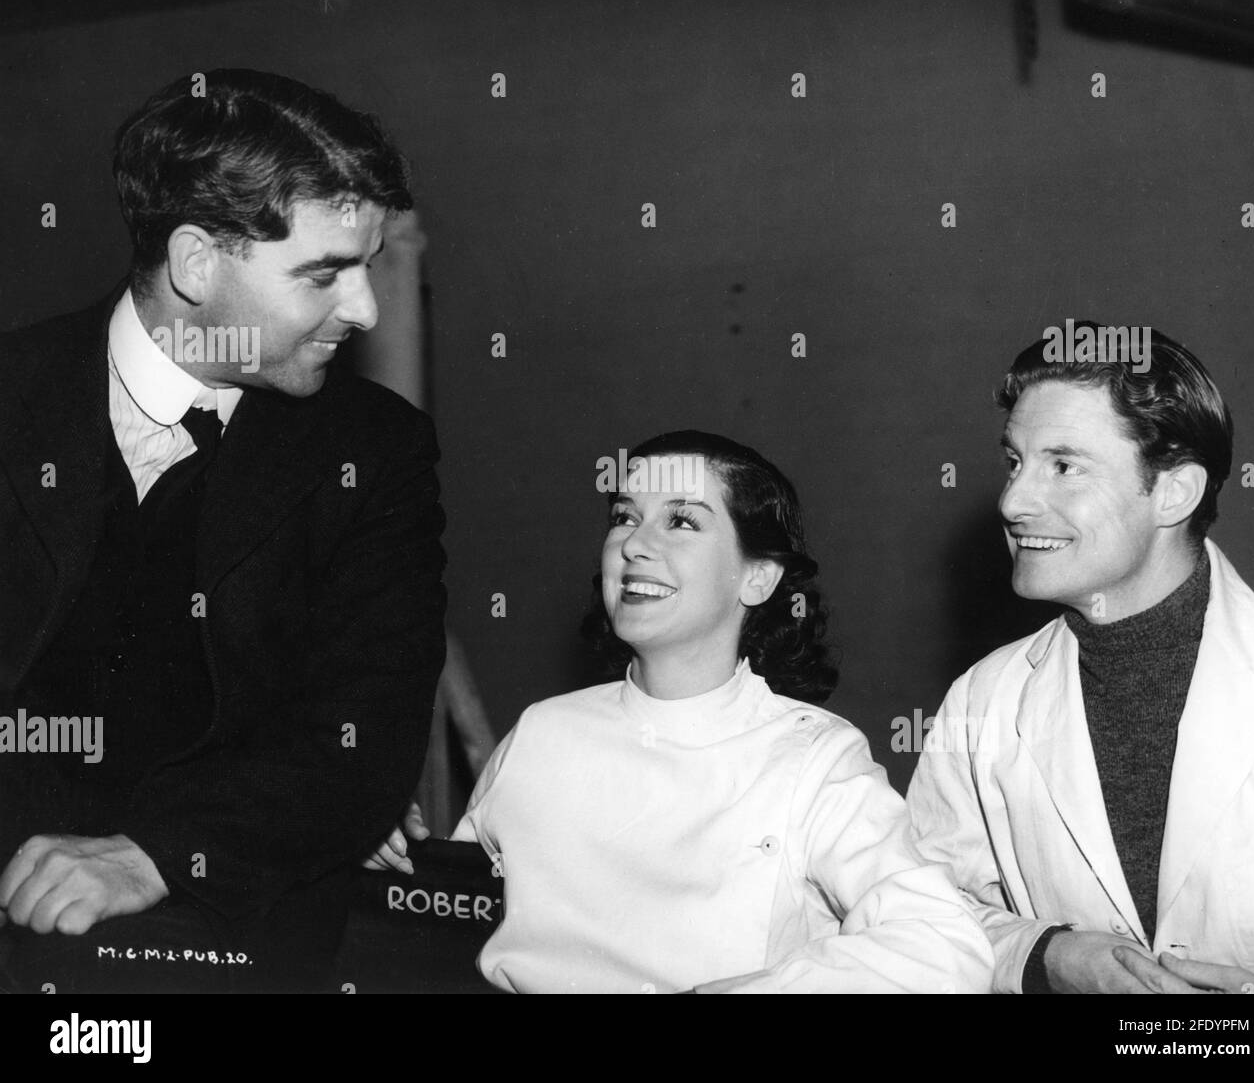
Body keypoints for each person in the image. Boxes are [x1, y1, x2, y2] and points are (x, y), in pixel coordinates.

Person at [0, 68, 446, 990]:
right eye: (326, 273)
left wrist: (156, 853)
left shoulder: (374, 448)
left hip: (228, 933)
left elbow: (364, 732)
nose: (363, 309)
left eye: (366, 268)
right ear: (197, 263)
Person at [450, 430, 994, 993]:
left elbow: (944, 948)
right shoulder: (543, 731)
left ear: (757, 577)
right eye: (624, 517)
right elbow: (446, 919)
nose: (635, 544)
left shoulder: (814, 757)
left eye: (682, 521)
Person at [906, 327, 1254, 994]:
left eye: (1064, 465)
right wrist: (1046, 955)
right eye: (1014, 461)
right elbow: (916, 913)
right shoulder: (982, 700)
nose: (1012, 501)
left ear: (1173, 493)